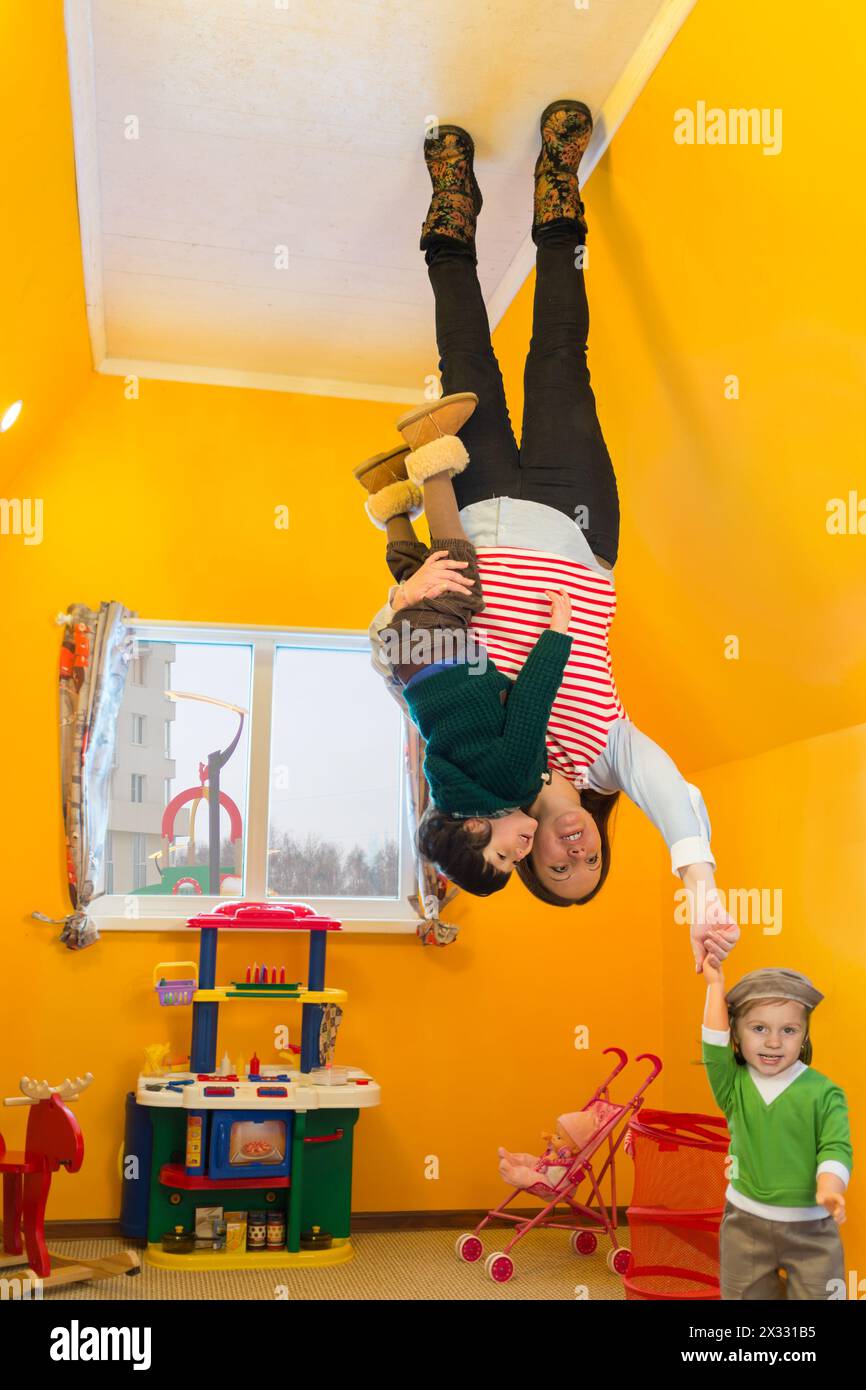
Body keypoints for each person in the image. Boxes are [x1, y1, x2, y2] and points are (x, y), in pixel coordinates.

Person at [367, 100, 739, 968]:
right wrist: (702, 892)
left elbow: (403, 665)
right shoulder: (611, 759)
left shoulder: (472, 768)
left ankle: (448, 205)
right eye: (593, 859)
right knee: (559, 356)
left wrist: (401, 598)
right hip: (579, 522)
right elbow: (676, 794)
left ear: (524, 845)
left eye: (556, 865)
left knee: (466, 360)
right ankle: (557, 186)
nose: (575, 850)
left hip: (483, 509)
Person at [356, 393, 574, 896]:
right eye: (516, 863)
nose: (522, 853)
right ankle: (387, 491)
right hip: (408, 660)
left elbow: (530, 704)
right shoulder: (445, 787)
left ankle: (430, 445)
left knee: (454, 563)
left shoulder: (510, 784)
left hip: (443, 649)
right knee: (417, 575)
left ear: (476, 828)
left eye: (503, 855)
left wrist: (557, 634)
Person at [702, 959, 852, 1299]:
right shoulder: (732, 1087)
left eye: (788, 1030)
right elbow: (712, 1045)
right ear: (736, 1034)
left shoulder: (825, 1093)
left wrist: (829, 1186)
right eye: (758, 1029)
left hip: (812, 1228)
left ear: (804, 1035)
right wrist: (715, 987)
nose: (773, 1041)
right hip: (745, 1224)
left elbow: (835, 1147)